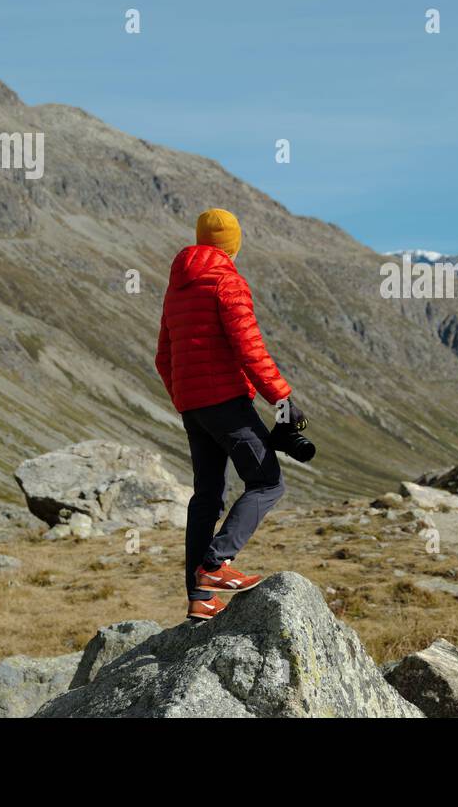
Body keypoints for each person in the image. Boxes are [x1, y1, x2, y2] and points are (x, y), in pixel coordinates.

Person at [154, 208, 304, 621]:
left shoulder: (178, 286)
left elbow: (163, 356)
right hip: (226, 402)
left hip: (193, 406)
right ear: (233, 245)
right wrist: (282, 399)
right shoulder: (227, 281)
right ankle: (216, 563)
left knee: (207, 495)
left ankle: (200, 598)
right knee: (267, 481)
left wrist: (184, 397)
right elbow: (249, 348)